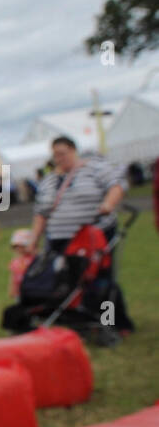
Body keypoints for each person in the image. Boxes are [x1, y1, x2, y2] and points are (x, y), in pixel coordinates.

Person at [29, 136, 133, 333]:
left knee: (100, 280)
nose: (59, 159)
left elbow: (117, 186)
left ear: (73, 150)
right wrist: (34, 238)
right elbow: (40, 213)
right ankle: (81, 321)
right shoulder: (49, 181)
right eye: (55, 155)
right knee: (66, 284)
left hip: (93, 236)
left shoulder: (95, 169)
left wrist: (108, 204)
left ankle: (110, 323)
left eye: (62, 154)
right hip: (59, 240)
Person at [7, 228, 35, 299]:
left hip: (33, 290)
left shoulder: (34, 259)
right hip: (19, 292)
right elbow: (13, 276)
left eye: (22, 246)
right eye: (17, 246)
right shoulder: (15, 261)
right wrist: (12, 289)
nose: (19, 249)